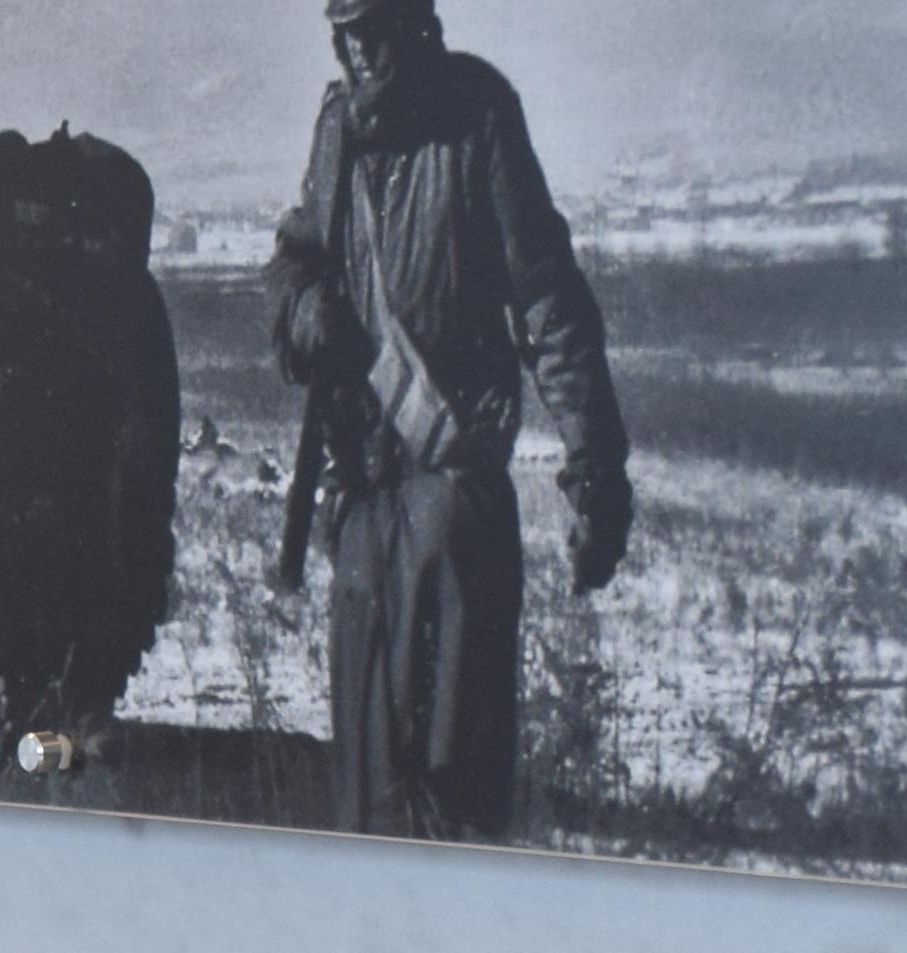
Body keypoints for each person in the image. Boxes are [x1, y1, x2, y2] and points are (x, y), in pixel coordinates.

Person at [268, 0, 634, 843]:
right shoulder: (337, 130)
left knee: (455, 804)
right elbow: (294, 261)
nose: (361, 47)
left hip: (455, 509)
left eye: (375, 26)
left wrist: (595, 467)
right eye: (347, 30)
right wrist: (305, 312)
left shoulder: (478, 117)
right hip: (363, 509)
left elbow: (546, 300)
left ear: (413, 23)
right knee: (367, 806)